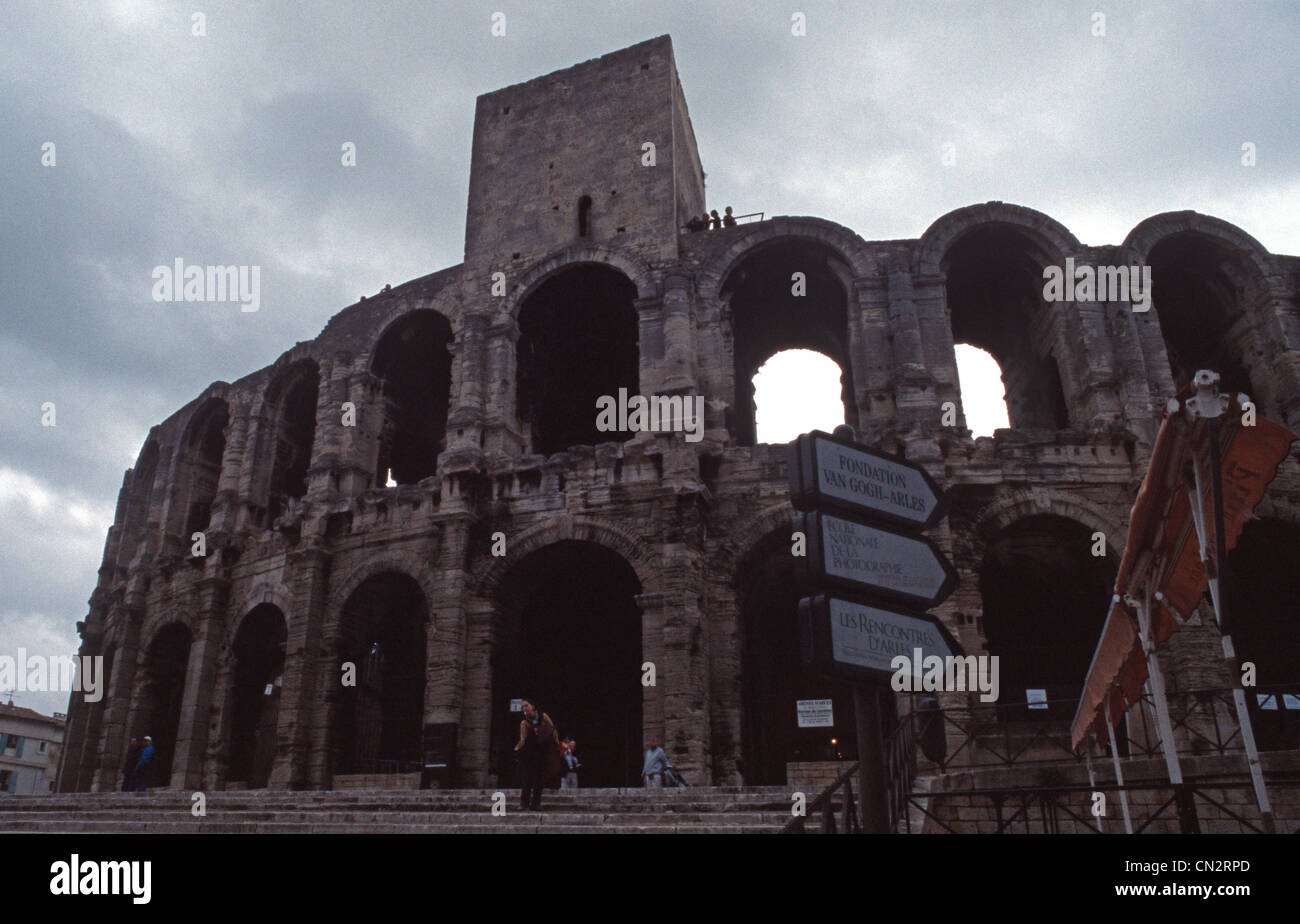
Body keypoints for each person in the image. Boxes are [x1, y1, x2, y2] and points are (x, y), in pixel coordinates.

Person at [514, 698, 559, 810]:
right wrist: (517, 750)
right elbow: (522, 739)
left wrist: (558, 746)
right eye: (522, 707)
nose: (524, 708)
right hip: (529, 753)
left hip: (541, 752)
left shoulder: (543, 717)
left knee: (539, 779)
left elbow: (553, 731)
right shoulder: (524, 722)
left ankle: (536, 804)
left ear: (533, 706)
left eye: (526, 705)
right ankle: (524, 803)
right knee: (526, 779)